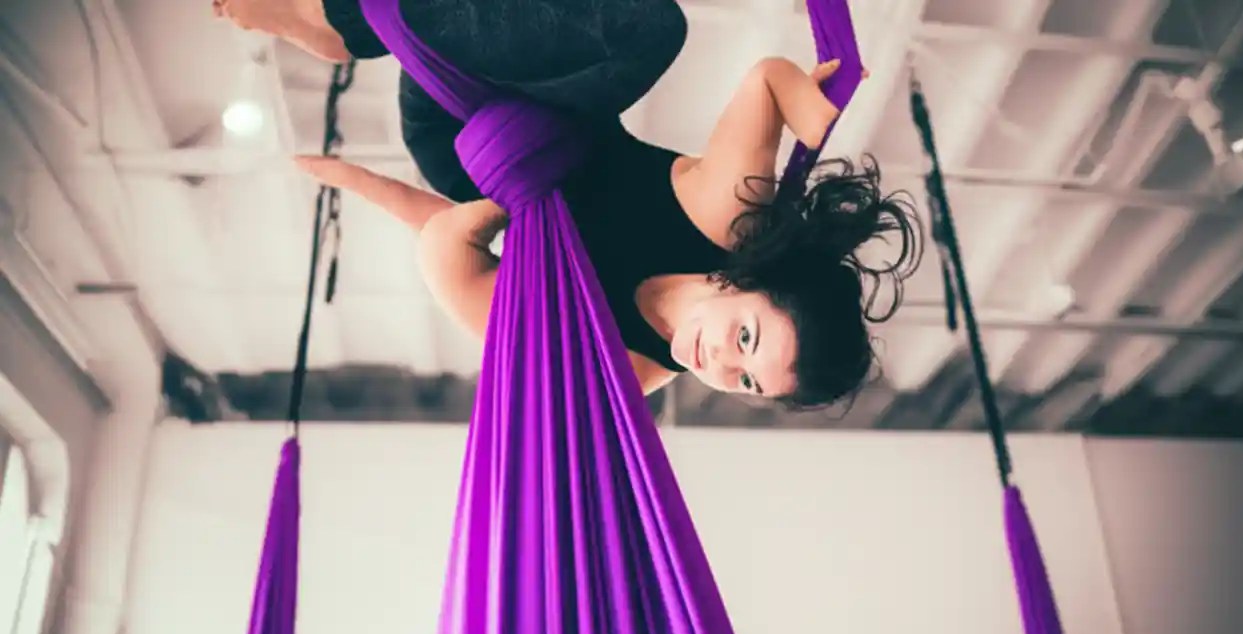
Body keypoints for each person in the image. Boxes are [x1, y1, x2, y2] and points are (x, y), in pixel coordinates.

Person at [213, 0, 923, 410]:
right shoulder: (726, 220)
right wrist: (807, 103)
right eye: (745, 339)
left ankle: (347, 25)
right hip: (528, 85)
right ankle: (348, 29)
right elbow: (767, 81)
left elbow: (451, 251)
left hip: (460, 141)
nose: (718, 364)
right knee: (648, 29)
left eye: (744, 382)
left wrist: (369, 182)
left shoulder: (627, 368)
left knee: (647, 35)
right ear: (754, 282)